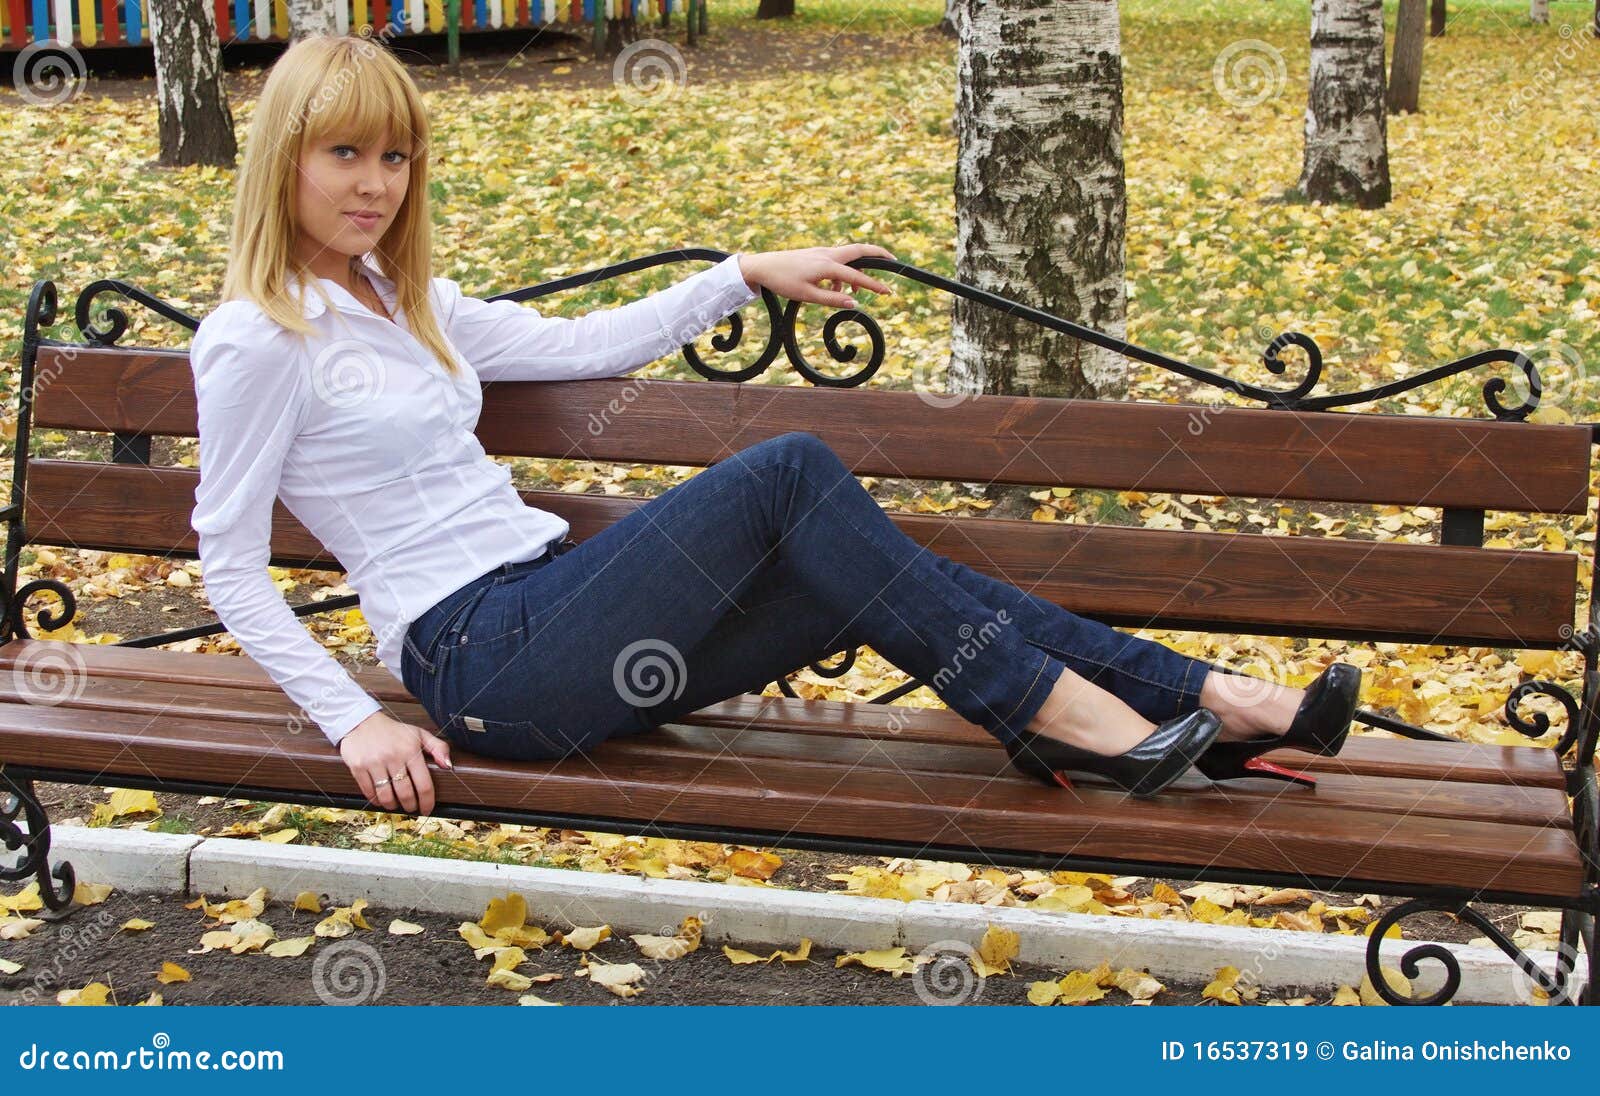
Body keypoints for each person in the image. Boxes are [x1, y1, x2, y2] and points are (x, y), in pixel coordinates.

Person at [191, 34, 1362, 818]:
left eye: (395, 156)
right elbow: (228, 564)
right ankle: (1073, 716)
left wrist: (742, 270)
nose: (376, 183)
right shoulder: (259, 337)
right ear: (281, 160)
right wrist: (353, 724)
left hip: (555, 602)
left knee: (879, 569)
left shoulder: (409, 304)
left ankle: (1203, 701)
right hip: (482, 659)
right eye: (345, 152)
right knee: (795, 472)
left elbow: (589, 344)